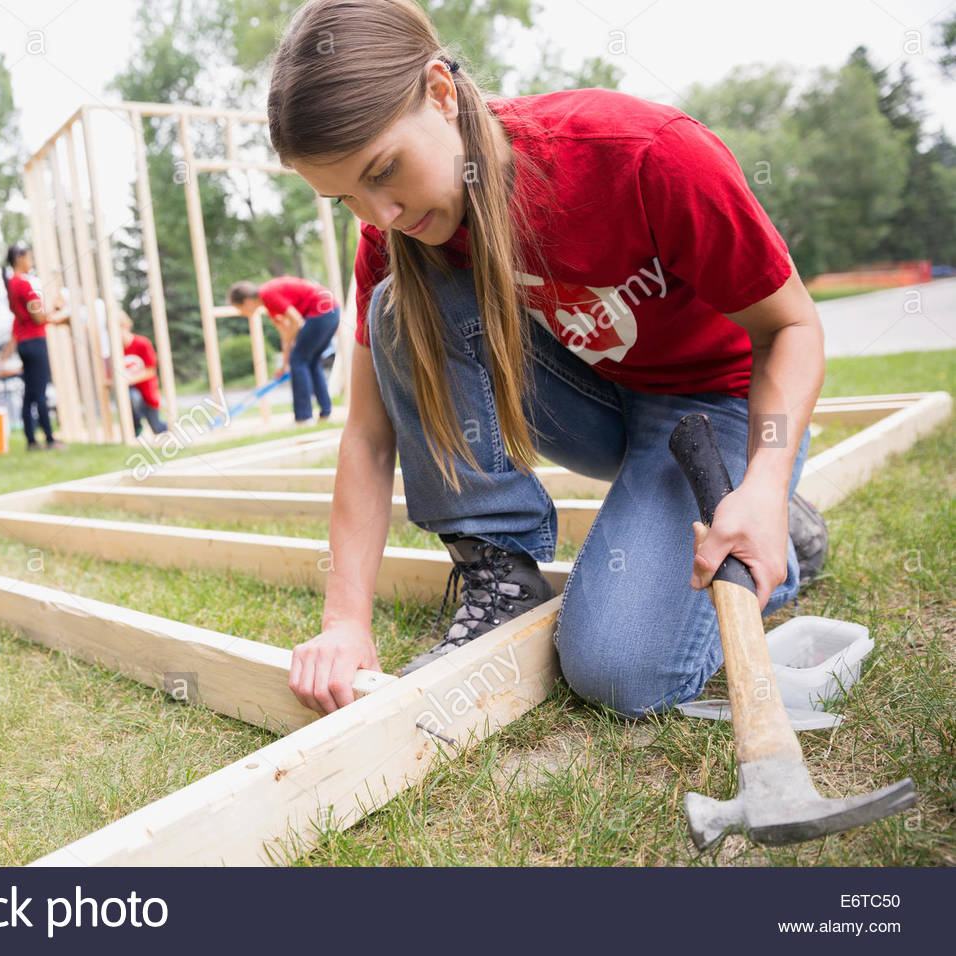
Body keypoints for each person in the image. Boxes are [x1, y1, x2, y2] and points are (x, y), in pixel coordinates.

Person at [271, 0, 829, 718]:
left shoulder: (643, 154)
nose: (380, 215)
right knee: (397, 305)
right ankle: (499, 574)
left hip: (712, 413)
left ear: (441, 94)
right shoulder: (397, 233)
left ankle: (776, 527)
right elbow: (369, 435)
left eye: (385, 170)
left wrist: (765, 477)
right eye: (345, 197)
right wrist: (344, 622)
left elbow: (793, 329)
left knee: (620, 672)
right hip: (594, 398)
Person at [228, 276, 340, 423]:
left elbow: (296, 321)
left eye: (240, 309)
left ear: (247, 301)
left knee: (299, 361)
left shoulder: (268, 294)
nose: (242, 314)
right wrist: (285, 364)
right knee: (310, 362)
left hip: (322, 310)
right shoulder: (269, 306)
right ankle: (326, 413)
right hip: (331, 311)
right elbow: (285, 334)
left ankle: (303, 417)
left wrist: (292, 352)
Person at [1, 242, 68, 451]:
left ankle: (31, 441)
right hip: (35, 342)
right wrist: (54, 311)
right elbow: (38, 318)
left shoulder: (11, 285)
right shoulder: (23, 284)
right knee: (39, 393)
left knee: (30, 394)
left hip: (23, 343)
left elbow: (27, 317)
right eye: (29, 258)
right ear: (19, 259)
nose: (31, 262)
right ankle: (49, 439)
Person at [117, 313, 168, 437]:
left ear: (126, 326)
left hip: (148, 393)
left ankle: (170, 425)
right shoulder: (116, 349)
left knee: (157, 428)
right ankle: (136, 426)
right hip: (132, 395)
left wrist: (128, 380)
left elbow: (150, 370)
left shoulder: (142, 343)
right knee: (131, 396)